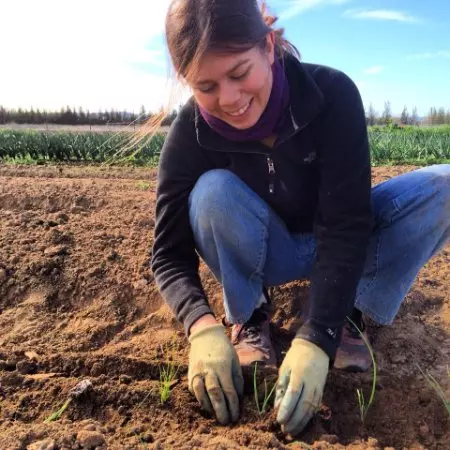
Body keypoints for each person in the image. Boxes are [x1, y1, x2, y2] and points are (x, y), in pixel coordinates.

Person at [151, 0, 450, 436]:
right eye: (206, 85)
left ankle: (350, 313)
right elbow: (168, 252)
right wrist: (200, 325)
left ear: (268, 47)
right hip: (267, 249)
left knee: (444, 188)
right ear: (186, 81)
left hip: (344, 245)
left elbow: (346, 224)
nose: (229, 99)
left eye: (239, 73)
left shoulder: (331, 95)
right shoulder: (191, 132)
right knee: (211, 192)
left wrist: (319, 335)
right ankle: (250, 317)